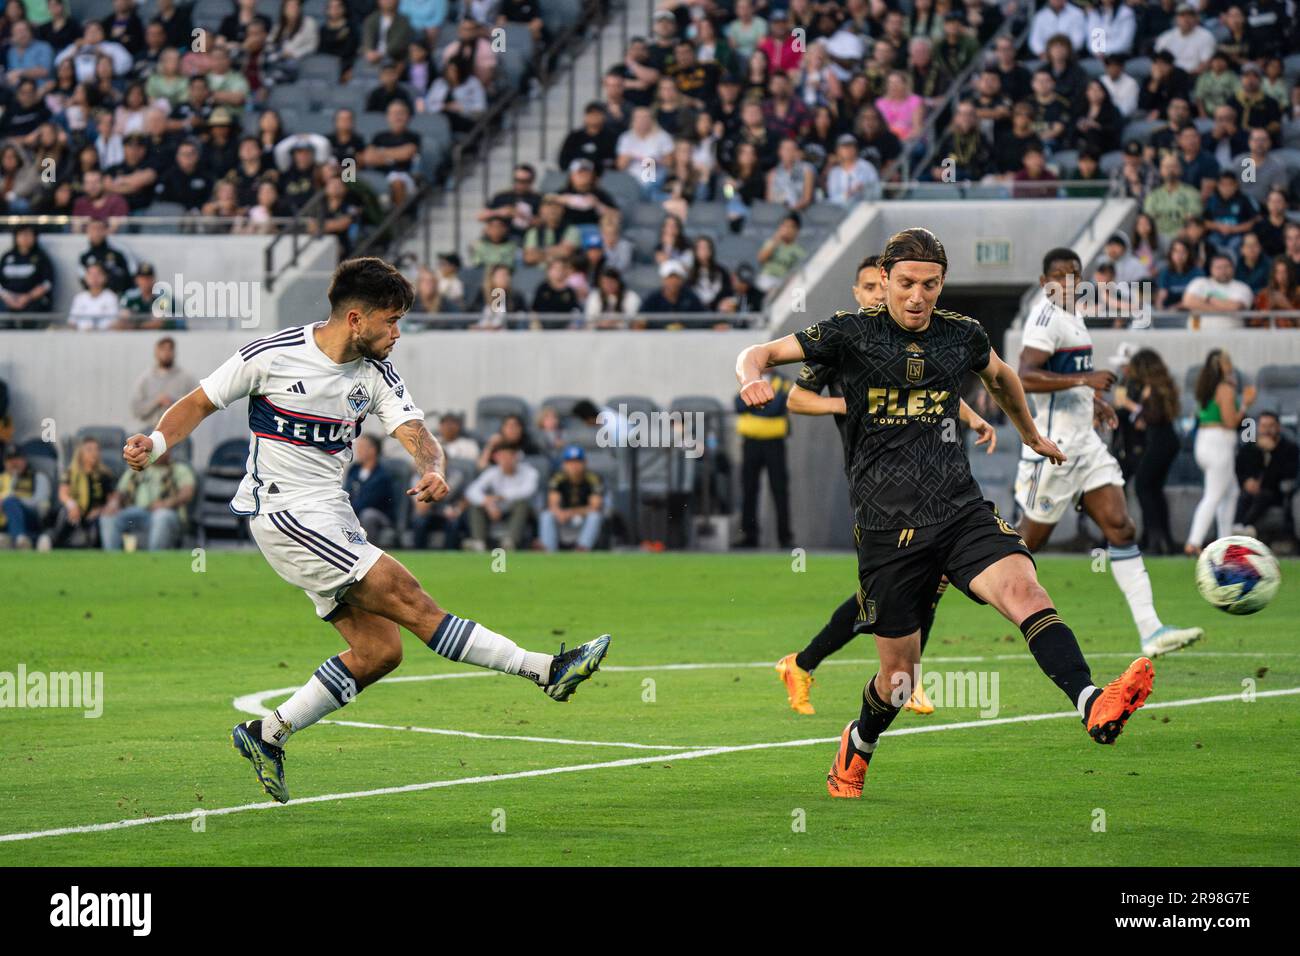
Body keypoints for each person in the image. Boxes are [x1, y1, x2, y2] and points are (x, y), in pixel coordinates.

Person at [120, 257, 608, 802]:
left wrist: (434, 469)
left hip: (331, 513)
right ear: (356, 318)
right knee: (411, 598)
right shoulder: (271, 355)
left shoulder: (375, 375)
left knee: (380, 652)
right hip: (283, 513)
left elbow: (417, 433)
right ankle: (545, 670)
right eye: (391, 321)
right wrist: (156, 443)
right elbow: (198, 402)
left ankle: (267, 732)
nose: (397, 334)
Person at [736, 227, 1158, 799]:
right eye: (906, 283)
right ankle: (858, 745)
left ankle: (1091, 703)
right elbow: (757, 352)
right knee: (900, 679)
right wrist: (750, 378)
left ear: (942, 285)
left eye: (930, 285)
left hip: (959, 510)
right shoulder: (849, 333)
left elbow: (1003, 376)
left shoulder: (961, 334)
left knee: (1027, 591)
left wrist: (1029, 434)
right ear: (883, 280)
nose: (917, 296)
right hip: (887, 528)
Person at [776, 253, 999, 717]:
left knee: (926, 582)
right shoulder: (847, 340)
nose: (884, 296)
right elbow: (797, 399)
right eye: (873, 288)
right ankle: (808, 663)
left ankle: (898, 675)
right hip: (877, 478)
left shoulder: (912, 338)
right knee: (887, 594)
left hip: (927, 479)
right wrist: (847, 405)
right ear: (862, 291)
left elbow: (928, 393)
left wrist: (973, 416)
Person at [1016, 248, 1202, 656]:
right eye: (1060, 276)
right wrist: (1086, 379)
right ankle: (953, 572)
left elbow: (1066, 376)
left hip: (1086, 444)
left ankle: (1151, 630)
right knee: (1024, 547)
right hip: (1053, 450)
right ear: (1045, 280)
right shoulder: (1044, 318)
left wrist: (1092, 401)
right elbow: (1025, 376)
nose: (1068, 282)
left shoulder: (1074, 315)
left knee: (1121, 527)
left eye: (1075, 275)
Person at [1185, 349, 1254, 555]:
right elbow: (1230, 422)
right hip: (1219, 444)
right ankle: (1194, 541)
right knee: (1213, 496)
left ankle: (1225, 542)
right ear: (1225, 367)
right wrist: (1245, 405)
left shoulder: (1204, 388)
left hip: (1204, 443)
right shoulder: (1225, 389)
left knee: (1231, 492)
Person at [1115, 348, 1182, 555]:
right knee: (1154, 489)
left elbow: (1154, 416)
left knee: (1144, 485)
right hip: (1166, 440)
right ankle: (1165, 541)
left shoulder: (1153, 388)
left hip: (1160, 441)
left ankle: (1154, 540)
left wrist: (1131, 406)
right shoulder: (1161, 386)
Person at [733, 369, 792, 550]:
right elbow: (738, 404)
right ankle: (749, 536)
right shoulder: (749, 380)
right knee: (749, 490)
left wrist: (753, 405)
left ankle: (785, 538)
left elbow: (776, 408)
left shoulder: (783, 383)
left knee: (779, 490)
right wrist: (763, 405)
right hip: (751, 443)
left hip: (774, 443)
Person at [40, 435, 114, 550]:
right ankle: (52, 543)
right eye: (89, 450)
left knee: (96, 530)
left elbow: (111, 501)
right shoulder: (70, 473)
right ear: (80, 453)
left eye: (96, 449)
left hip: (95, 514)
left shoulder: (105, 475)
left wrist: (99, 510)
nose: (94, 453)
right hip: (75, 510)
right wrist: (72, 505)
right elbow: (63, 494)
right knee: (65, 515)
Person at [1234, 411, 1299, 541]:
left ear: (1278, 427)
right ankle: (1237, 527)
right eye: (1264, 426)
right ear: (1258, 427)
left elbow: (1287, 475)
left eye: (1271, 426)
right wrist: (1247, 481)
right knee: (1244, 497)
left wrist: (1273, 452)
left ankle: (1243, 527)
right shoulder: (1250, 448)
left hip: (1276, 493)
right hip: (1250, 492)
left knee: (1263, 495)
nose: (1267, 430)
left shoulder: (1290, 449)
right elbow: (1240, 471)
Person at [463, 443, 538, 550]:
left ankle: (510, 541)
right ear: (497, 458)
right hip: (495, 509)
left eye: (510, 456)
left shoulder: (529, 471)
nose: (506, 460)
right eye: (503, 457)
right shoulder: (492, 472)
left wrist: (502, 496)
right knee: (475, 505)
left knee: (522, 504)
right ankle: (479, 542)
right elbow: (471, 490)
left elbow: (528, 490)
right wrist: (487, 502)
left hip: (516, 510)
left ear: (516, 457)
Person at [538, 445, 604, 552]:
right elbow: (552, 503)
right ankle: (549, 552)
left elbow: (595, 506)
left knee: (595, 516)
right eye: (570, 462)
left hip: (583, 518)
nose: (574, 466)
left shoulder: (593, 479)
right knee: (546, 515)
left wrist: (571, 512)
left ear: (584, 463)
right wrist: (559, 512)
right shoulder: (557, 478)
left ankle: (582, 549)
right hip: (562, 519)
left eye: (577, 462)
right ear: (564, 464)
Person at [130, 335, 197, 435]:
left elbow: (195, 405)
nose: (166, 353)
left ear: (174, 353)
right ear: (156, 352)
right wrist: (156, 402)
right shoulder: (145, 379)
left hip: (177, 430)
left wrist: (173, 402)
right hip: (150, 429)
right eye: (163, 349)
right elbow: (137, 410)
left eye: (170, 349)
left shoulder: (186, 378)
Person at [345, 433, 399, 542]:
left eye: (362, 447)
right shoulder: (354, 469)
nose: (358, 450)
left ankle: (368, 550)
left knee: (368, 515)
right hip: (355, 511)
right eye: (358, 447)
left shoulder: (382, 474)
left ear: (373, 450)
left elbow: (370, 501)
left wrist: (349, 510)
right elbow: (346, 491)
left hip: (380, 516)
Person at [0, 444, 51, 549]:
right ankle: (26, 539)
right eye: (10, 460)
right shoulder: (1, 479)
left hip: (31, 517)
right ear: (5, 463)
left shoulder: (37, 477)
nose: (14, 463)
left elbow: (40, 502)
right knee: (9, 503)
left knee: (10, 502)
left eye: (17, 458)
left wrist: (16, 501)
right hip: (5, 521)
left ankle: (18, 538)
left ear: (24, 460)